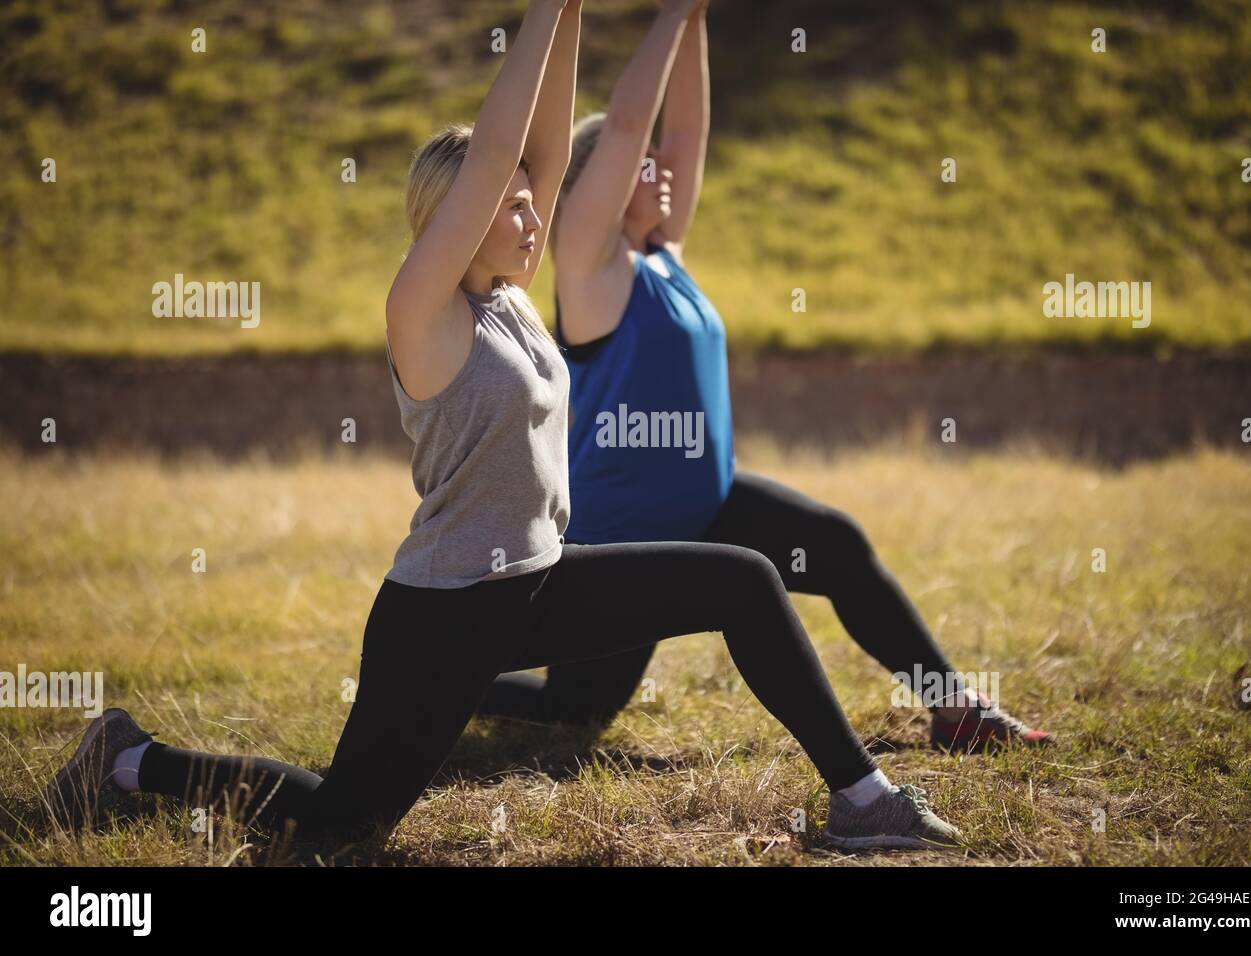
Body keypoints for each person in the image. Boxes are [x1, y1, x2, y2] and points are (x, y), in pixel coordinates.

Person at [44, 0, 961, 854]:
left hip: (538, 581)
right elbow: (494, 154)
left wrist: (569, 17)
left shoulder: (515, 302)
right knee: (340, 831)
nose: (531, 217)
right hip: (442, 614)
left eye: (532, 205)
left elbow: (541, 153)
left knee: (747, 582)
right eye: (509, 208)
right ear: (455, 219)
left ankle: (864, 798)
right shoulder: (423, 313)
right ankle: (128, 757)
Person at [478, 0, 1054, 755]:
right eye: (641, 167)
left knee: (839, 547)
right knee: (575, 715)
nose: (661, 169)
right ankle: (451, 672)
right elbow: (626, 129)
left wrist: (697, 22)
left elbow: (687, 132)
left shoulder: (665, 260)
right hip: (627, 542)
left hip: (709, 505)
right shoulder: (590, 270)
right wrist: (669, 14)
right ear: (598, 193)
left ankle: (956, 709)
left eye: (657, 165)